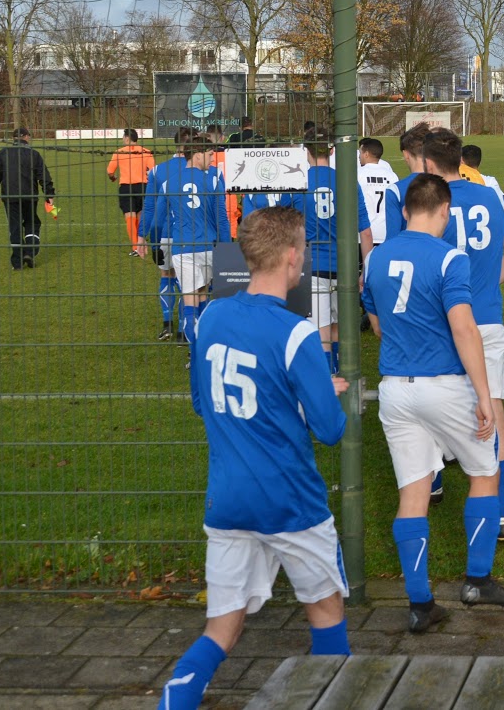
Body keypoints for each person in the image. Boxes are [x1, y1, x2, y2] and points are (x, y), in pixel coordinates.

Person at [153, 206, 350, 710]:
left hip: (228, 500)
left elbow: (204, 401)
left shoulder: (212, 316)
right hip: (290, 501)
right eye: (303, 247)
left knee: (222, 627)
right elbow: (330, 430)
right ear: (292, 256)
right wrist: (319, 395)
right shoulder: (298, 332)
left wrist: (293, 396)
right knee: (326, 613)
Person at [362, 174, 504, 630]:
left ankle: (420, 605)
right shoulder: (450, 257)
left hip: (394, 388)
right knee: (485, 471)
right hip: (445, 386)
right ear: (445, 211)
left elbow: (377, 325)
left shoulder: (375, 258)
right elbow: (464, 328)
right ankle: (478, 580)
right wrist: (485, 395)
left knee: (413, 491)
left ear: (406, 209)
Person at [419, 131, 504, 536]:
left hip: (441, 320)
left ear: (429, 165)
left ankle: (429, 485)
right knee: (494, 411)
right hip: (486, 319)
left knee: (429, 406)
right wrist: (483, 286)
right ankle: (502, 512)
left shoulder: (429, 205)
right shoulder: (495, 197)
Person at [292, 126, 373, 374]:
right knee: (338, 325)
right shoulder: (347, 181)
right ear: (332, 149)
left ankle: (328, 381)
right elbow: (366, 232)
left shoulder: (299, 182)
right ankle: (340, 379)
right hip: (344, 265)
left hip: (313, 265)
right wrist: (365, 271)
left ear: (305, 150)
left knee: (321, 329)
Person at [148, 138, 232, 356]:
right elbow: (222, 220)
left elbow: (157, 221)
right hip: (207, 247)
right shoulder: (213, 182)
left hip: (183, 250)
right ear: (196, 154)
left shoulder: (169, 184)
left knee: (190, 299)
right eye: (210, 154)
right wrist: (226, 251)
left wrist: (155, 244)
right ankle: (203, 348)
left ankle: (194, 351)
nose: (213, 159)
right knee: (203, 295)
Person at [139, 130, 193, 340]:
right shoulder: (200, 170)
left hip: (164, 235)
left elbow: (150, 207)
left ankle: (167, 324)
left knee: (166, 275)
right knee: (187, 283)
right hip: (188, 236)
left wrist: (144, 237)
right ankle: (182, 331)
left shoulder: (157, 171)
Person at [0, 127, 57, 270]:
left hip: (10, 196)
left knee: (15, 227)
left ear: (14, 138)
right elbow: (43, 176)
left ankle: (17, 263)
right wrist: (49, 194)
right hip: (29, 196)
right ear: (25, 137)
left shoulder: (3, 153)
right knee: (32, 223)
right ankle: (30, 253)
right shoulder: (34, 154)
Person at [107, 129, 156, 255]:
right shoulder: (146, 152)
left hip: (126, 187)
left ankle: (135, 247)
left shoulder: (119, 152)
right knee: (140, 215)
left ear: (127, 138)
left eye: (124, 137)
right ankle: (141, 241)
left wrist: (113, 178)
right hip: (142, 187)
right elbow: (153, 170)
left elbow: (110, 171)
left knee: (129, 216)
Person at [358, 137, 399, 251]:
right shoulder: (392, 176)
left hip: (363, 234)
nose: (359, 156)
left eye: (360, 153)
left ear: (366, 154)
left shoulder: (357, 174)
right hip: (385, 234)